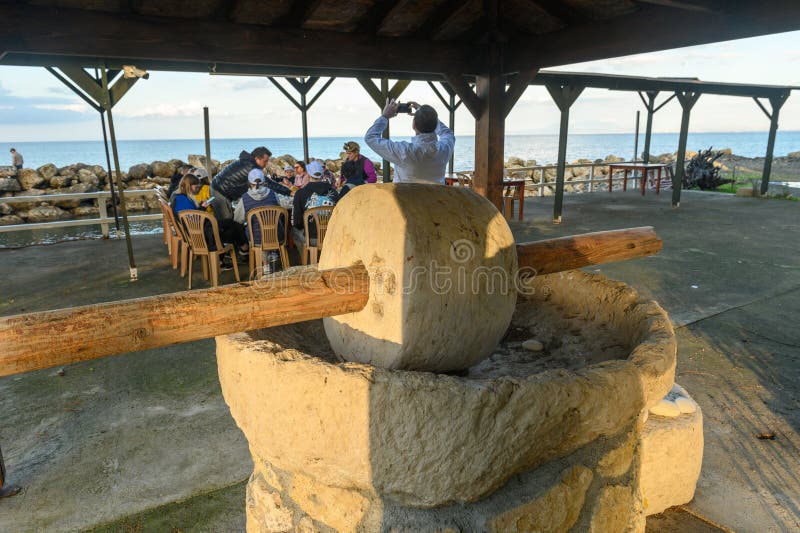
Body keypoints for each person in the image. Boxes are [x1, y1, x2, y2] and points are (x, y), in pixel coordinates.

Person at [364, 100, 454, 184]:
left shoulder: (404, 151)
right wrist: (426, 115)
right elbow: (448, 133)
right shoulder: (444, 149)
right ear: (435, 126)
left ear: (413, 125)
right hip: (435, 200)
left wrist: (385, 116)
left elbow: (370, 138)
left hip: (403, 200)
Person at [210, 146, 291, 223]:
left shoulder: (246, 162)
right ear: (257, 159)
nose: (266, 164)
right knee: (226, 223)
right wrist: (289, 192)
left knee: (229, 219)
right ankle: (224, 237)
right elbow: (267, 183)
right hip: (220, 192)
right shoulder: (250, 167)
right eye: (265, 161)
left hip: (219, 188)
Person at [234, 169, 290, 273]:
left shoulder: (244, 198)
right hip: (277, 235)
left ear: (249, 183)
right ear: (264, 182)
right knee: (274, 223)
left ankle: (265, 264)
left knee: (255, 230)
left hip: (257, 238)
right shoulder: (273, 194)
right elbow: (280, 209)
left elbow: (238, 219)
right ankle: (272, 252)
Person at [292, 161, 338, 247]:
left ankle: (305, 258)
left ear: (308, 175)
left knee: (294, 231)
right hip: (331, 236)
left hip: (311, 238)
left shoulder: (300, 193)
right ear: (322, 175)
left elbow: (297, 222)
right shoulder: (334, 192)